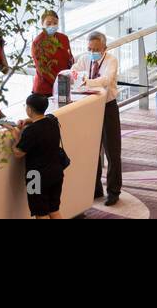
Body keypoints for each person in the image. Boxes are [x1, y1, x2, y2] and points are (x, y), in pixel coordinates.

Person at [70, 31, 122, 206]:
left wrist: (87, 82)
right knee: (91, 149)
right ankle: (95, 188)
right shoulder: (85, 59)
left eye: (96, 49)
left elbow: (106, 79)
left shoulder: (111, 60)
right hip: (89, 108)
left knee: (112, 152)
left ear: (104, 48)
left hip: (108, 108)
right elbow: (74, 71)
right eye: (90, 48)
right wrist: (78, 76)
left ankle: (114, 191)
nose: (92, 52)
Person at [9, 93, 65, 219]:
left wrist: (16, 137)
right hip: (56, 173)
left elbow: (18, 153)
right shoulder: (53, 122)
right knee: (54, 210)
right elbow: (43, 119)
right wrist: (28, 120)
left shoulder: (31, 131)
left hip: (35, 177)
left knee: (41, 214)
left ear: (29, 109)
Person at [31, 9, 74, 98]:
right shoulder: (38, 42)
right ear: (42, 25)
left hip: (64, 85)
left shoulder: (63, 38)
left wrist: (72, 75)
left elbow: (70, 59)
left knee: (65, 110)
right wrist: (60, 84)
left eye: (55, 23)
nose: (52, 26)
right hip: (45, 90)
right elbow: (42, 70)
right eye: (48, 23)